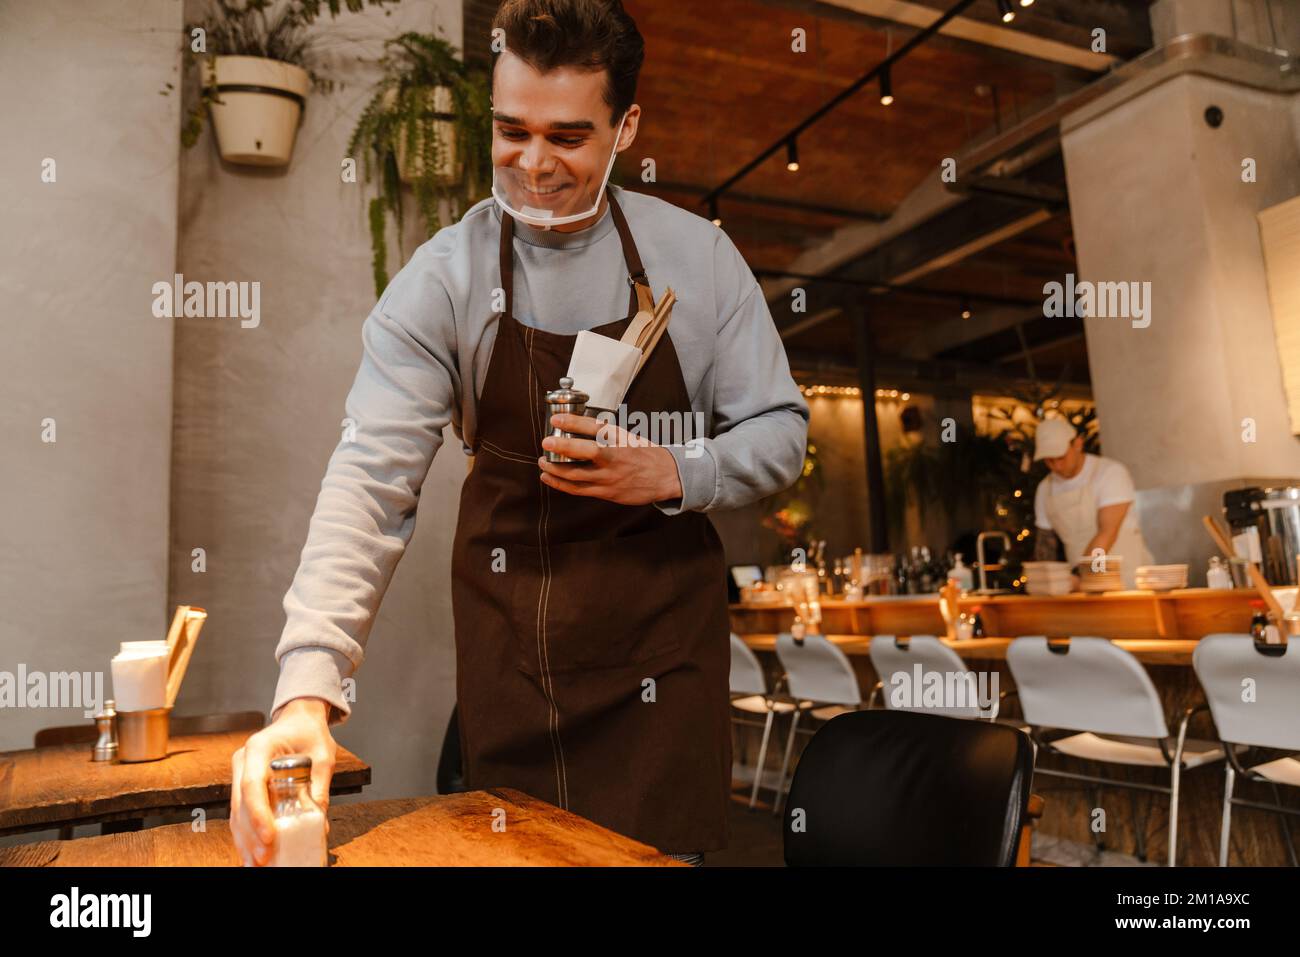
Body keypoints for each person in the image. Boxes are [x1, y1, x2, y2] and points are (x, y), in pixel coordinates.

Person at [229, 0, 809, 867]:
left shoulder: (699, 258)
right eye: (511, 130)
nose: (532, 164)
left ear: (626, 127)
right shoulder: (446, 278)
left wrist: (674, 470)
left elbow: (781, 431)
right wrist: (305, 689)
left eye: (569, 137)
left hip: (663, 668)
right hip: (515, 659)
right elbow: (369, 480)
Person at [1032, 417, 1152, 586]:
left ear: (1078, 444)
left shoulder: (1110, 474)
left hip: (1125, 579)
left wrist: (1081, 575)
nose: (1056, 466)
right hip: (1080, 583)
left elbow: (1107, 533)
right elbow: (1045, 544)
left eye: (1061, 457)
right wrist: (1044, 581)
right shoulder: (1045, 489)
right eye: (1049, 461)